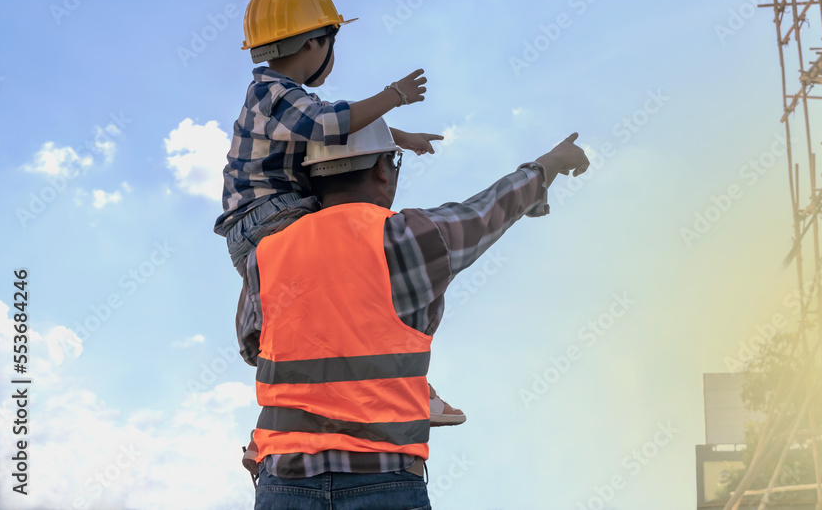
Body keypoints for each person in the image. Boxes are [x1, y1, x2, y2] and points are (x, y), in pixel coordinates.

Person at [236, 119, 590, 509]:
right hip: (384, 479)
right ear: (381, 169)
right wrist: (550, 163)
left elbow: (254, 349)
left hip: (283, 483)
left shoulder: (265, 254)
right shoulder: (410, 238)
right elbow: (489, 210)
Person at [214, 0, 462, 426]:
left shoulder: (281, 98)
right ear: (314, 42)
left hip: (258, 224)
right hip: (272, 215)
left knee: (315, 320)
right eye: (332, 41)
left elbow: (333, 129)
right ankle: (406, 384)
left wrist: (401, 137)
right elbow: (329, 127)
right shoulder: (272, 93)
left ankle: (277, 398)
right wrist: (394, 96)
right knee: (358, 266)